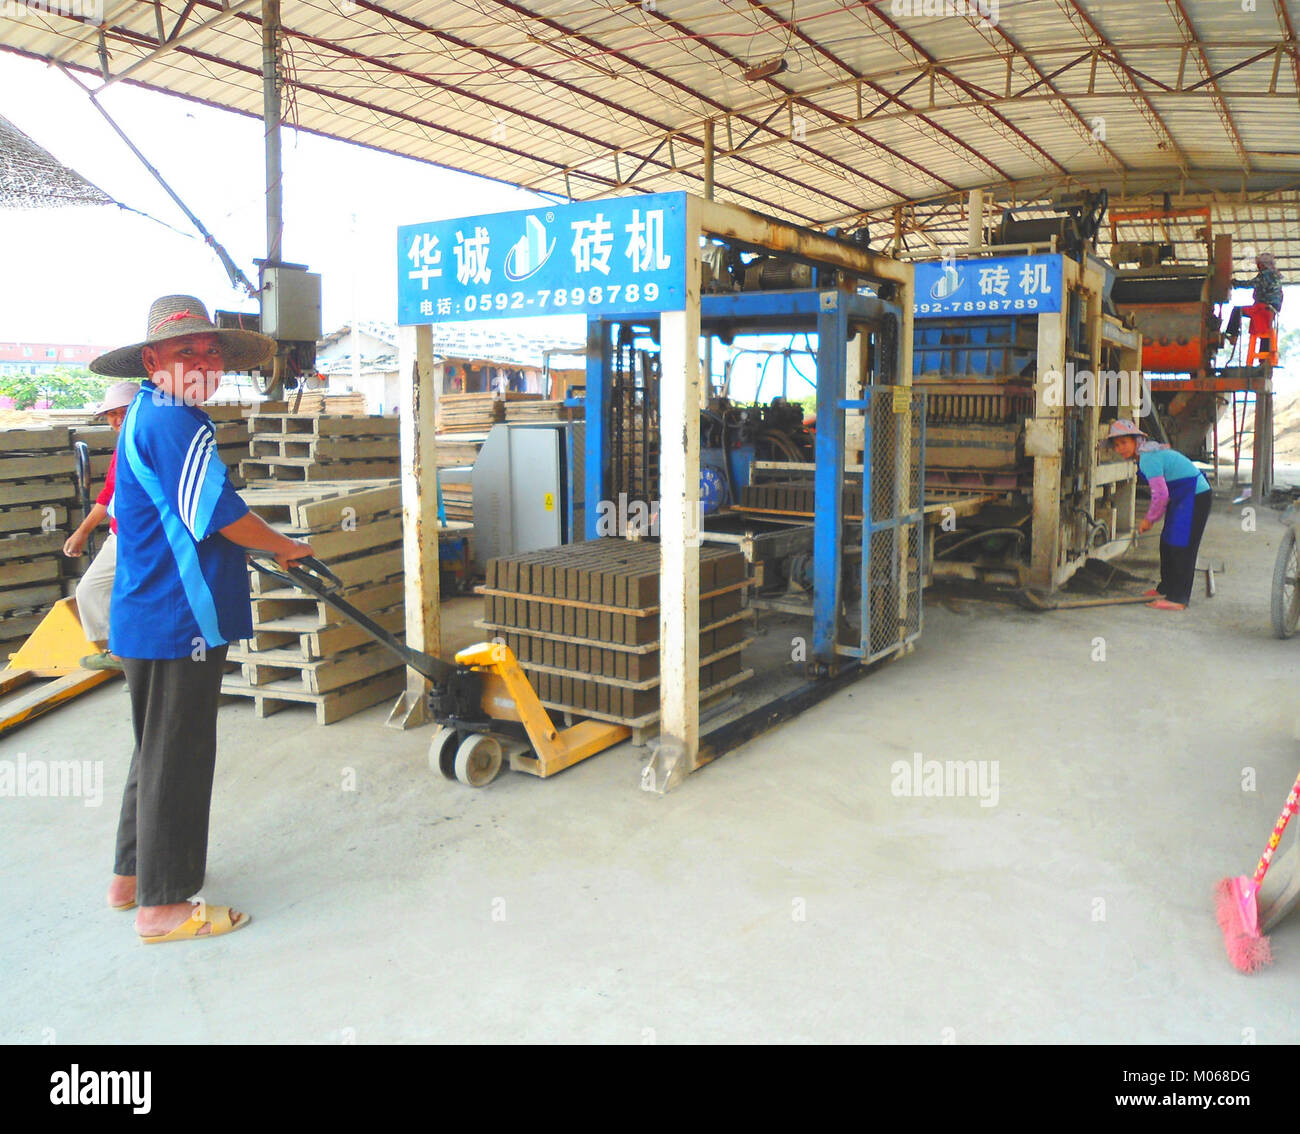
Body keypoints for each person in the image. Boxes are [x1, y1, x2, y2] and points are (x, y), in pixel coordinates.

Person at [91, 295, 313, 944]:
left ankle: (131, 878)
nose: (204, 362)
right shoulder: (170, 419)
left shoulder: (152, 414)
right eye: (187, 351)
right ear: (153, 360)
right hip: (177, 618)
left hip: (149, 615)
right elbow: (216, 510)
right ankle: (163, 906)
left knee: (154, 750)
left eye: (212, 351)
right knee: (180, 756)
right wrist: (283, 545)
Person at [62, 381, 139, 670]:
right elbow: (108, 495)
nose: (118, 419)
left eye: (125, 411)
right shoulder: (124, 446)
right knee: (92, 591)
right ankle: (122, 653)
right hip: (121, 535)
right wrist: (81, 532)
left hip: (146, 538)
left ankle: (127, 656)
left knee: (133, 595)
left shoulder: (149, 443)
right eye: (112, 414)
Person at [1106, 420, 1211, 612]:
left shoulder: (1148, 458)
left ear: (1136, 440)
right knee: (1168, 541)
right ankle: (1166, 588)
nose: (1120, 449)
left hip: (1195, 495)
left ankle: (1179, 598)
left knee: (1182, 545)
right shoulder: (1144, 456)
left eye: (1124, 443)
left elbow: (1160, 495)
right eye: (1117, 445)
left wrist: (1149, 519)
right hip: (1181, 496)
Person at [1224, 251, 1284, 348]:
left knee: (1237, 310)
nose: (1257, 266)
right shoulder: (1275, 276)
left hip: (1264, 307)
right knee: (1265, 331)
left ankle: (1233, 335)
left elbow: (1250, 284)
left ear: (1263, 264)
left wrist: (1234, 283)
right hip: (1272, 309)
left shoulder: (1266, 275)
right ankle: (1264, 359)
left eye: (1259, 263)